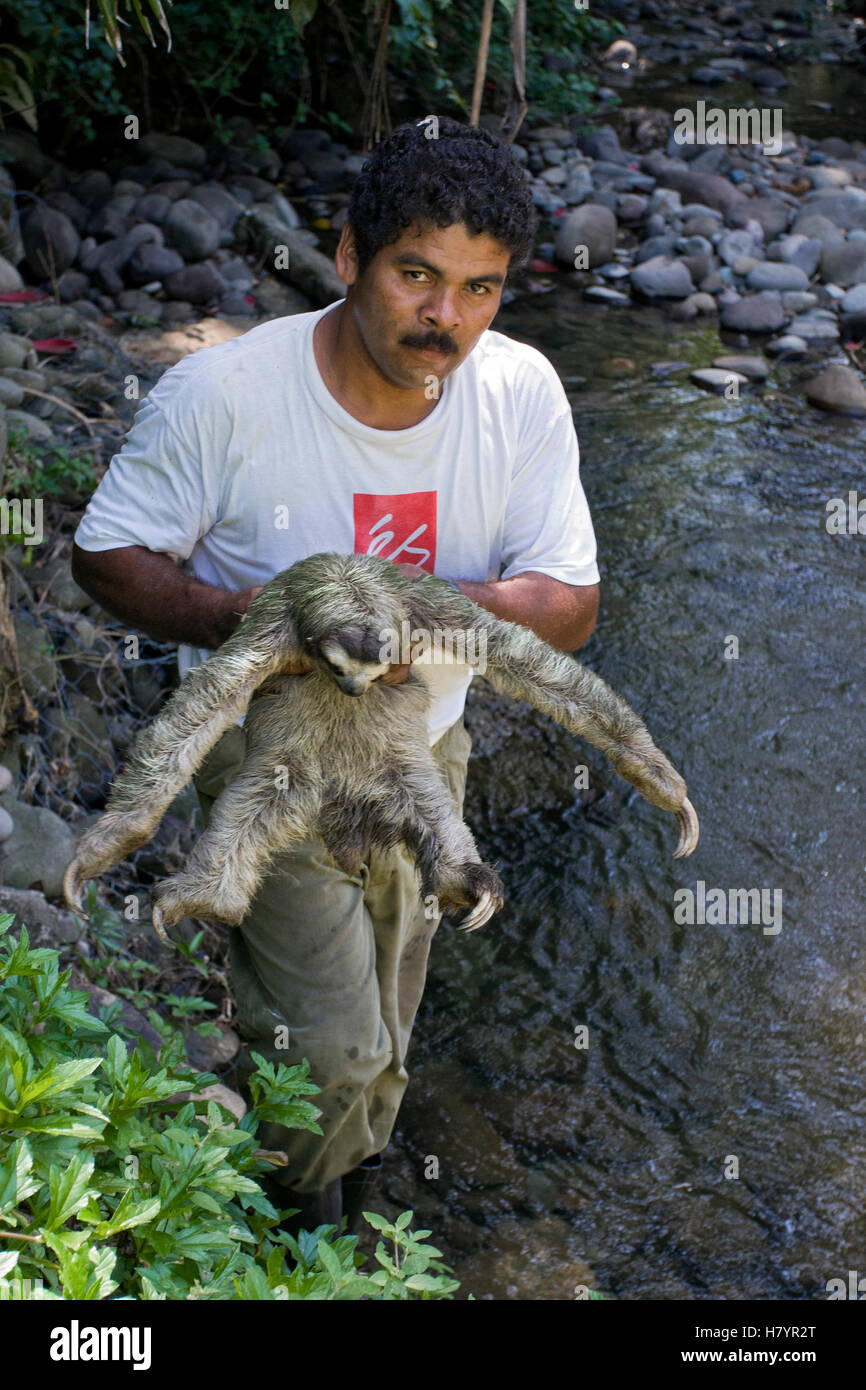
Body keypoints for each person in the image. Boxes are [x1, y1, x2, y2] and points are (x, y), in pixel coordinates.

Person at [71, 116, 600, 1235]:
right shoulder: (225, 396)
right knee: (331, 1041)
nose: (443, 318)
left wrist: (434, 616)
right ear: (350, 255)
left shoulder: (520, 392)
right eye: (416, 274)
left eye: (479, 288)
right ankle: (296, 1220)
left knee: (391, 1015)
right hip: (272, 744)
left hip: (423, 747)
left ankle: (343, 1180)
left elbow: (570, 602)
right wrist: (254, 619)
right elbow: (105, 555)